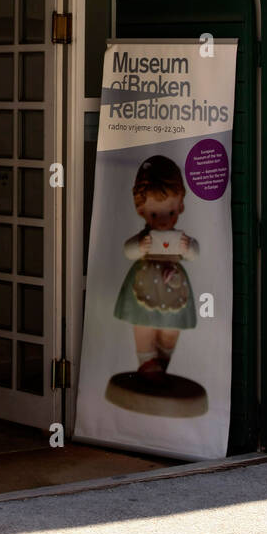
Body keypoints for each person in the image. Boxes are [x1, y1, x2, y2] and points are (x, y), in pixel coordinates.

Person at [113, 154, 199, 377]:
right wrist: (140, 247)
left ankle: (163, 359)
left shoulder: (180, 238)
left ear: (180, 205)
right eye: (154, 213)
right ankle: (147, 361)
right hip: (144, 283)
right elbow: (127, 250)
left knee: (171, 327)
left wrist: (187, 247)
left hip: (174, 288)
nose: (162, 220)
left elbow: (194, 254)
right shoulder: (145, 238)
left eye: (169, 212)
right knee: (143, 325)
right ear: (141, 210)